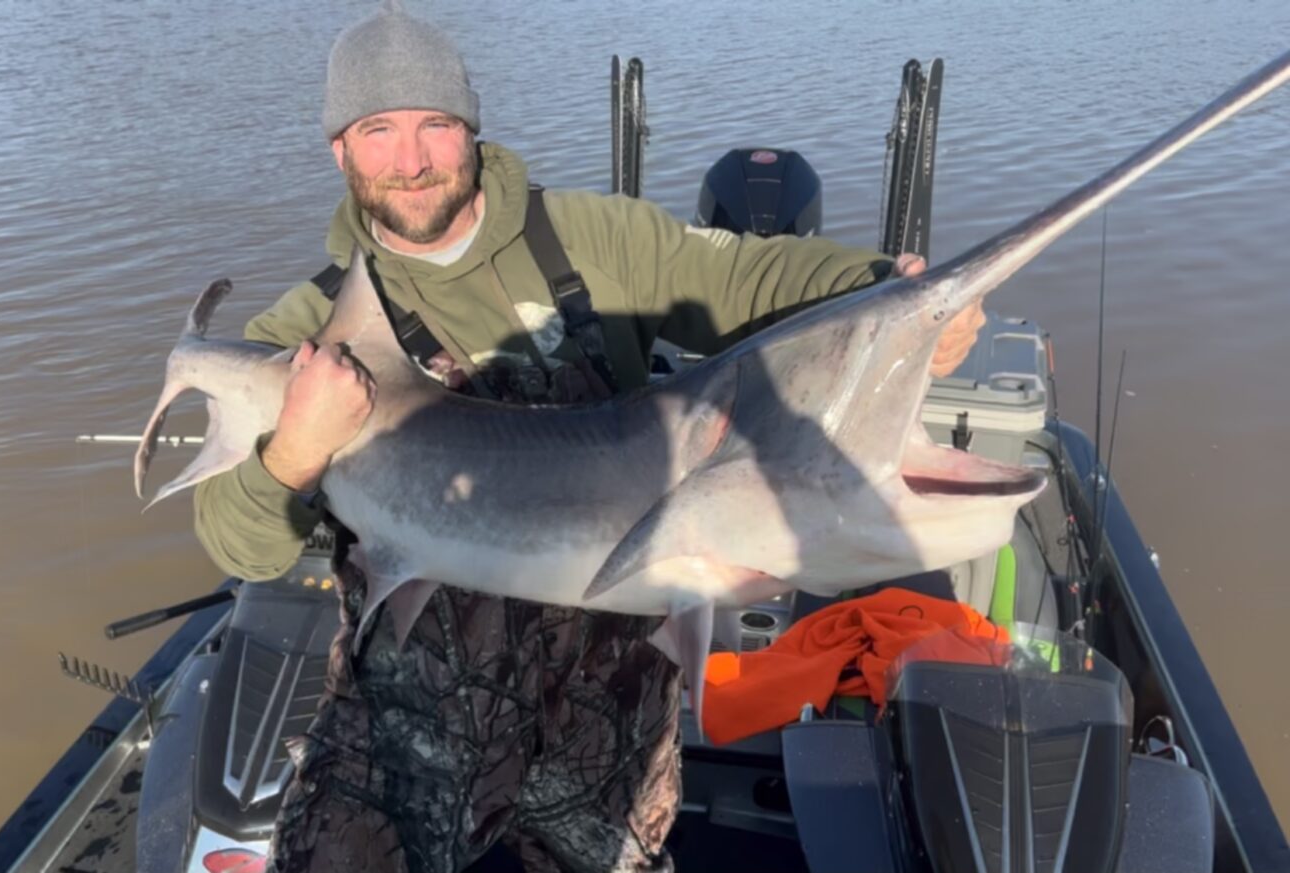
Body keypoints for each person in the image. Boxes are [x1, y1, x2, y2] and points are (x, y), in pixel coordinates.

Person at [193, 7, 984, 872]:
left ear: (471, 129)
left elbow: (743, 277)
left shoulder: (589, 240)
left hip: (608, 713)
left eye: (436, 125)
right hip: (416, 721)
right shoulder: (309, 332)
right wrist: (295, 448)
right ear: (339, 149)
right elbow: (238, 545)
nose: (411, 160)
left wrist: (889, 295)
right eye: (378, 131)